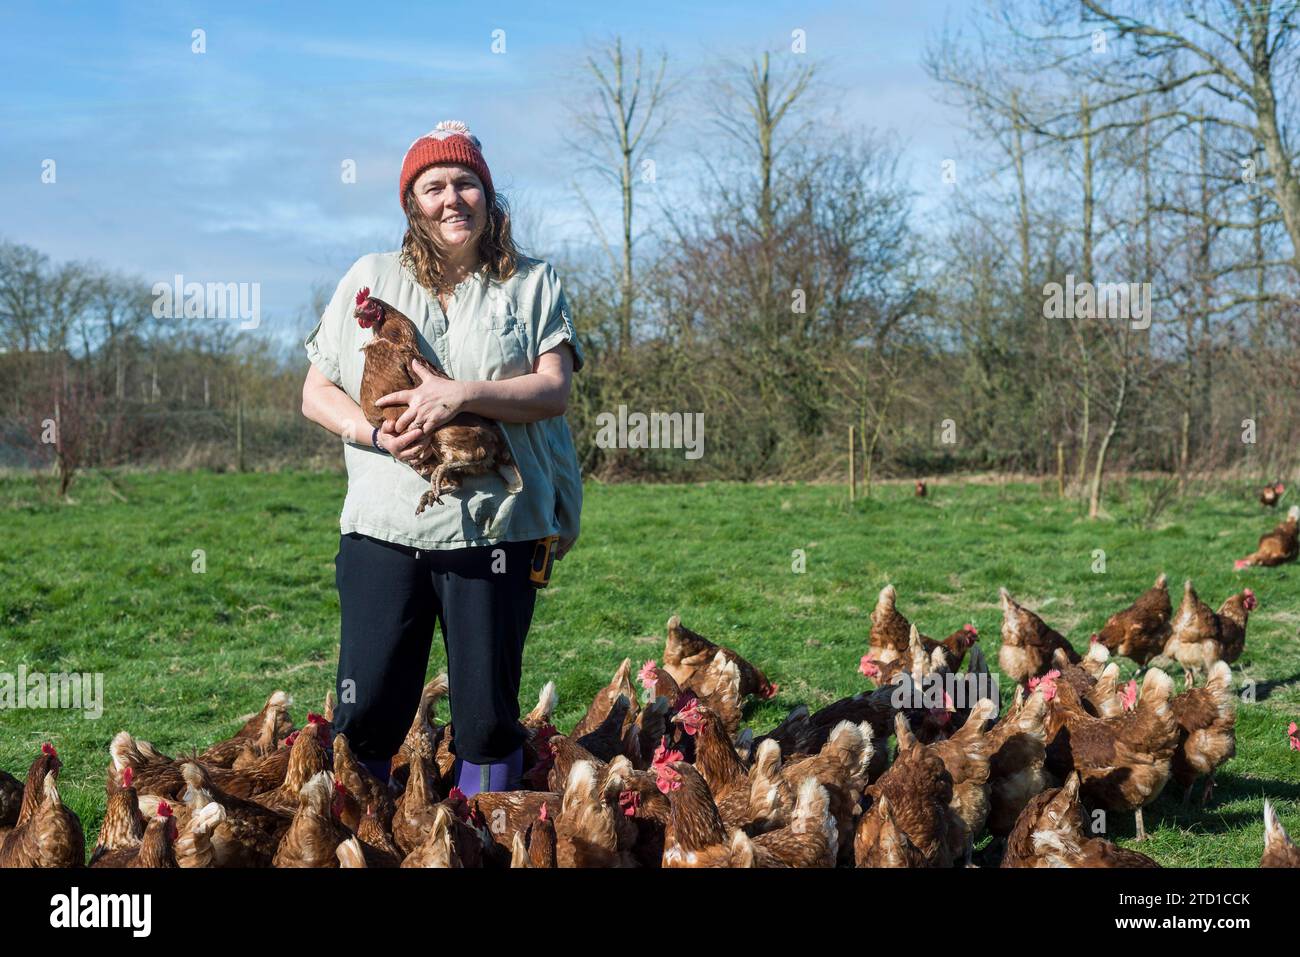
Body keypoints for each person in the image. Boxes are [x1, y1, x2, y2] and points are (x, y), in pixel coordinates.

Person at [300, 120, 583, 796]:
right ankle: (364, 833)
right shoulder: (370, 278)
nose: (451, 198)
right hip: (385, 528)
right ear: (411, 203)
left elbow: (554, 389)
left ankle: (483, 834)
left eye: (466, 183)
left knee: (486, 720)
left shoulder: (533, 283)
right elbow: (316, 391)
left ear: (488, 195)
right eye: (434, 186)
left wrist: (464, 394)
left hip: (498, 525)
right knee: (364, 712)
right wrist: (373, 435)